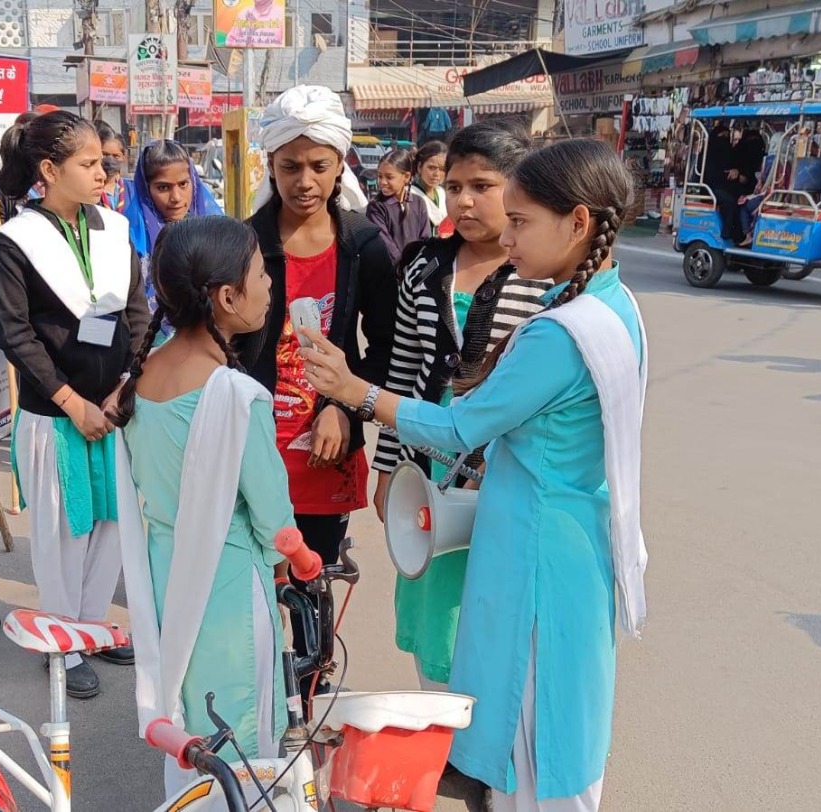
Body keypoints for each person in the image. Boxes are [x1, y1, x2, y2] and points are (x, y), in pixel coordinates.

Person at [301, 138, 648, 812]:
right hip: (572, 532)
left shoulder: (559, 332)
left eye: (521, 221)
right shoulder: (613, 304)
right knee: (560, 712)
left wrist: (354, 392)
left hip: (534, 546)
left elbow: (461, 428)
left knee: (530, 722)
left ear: (578, 222)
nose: (508, 237)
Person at [108, 216, 293, 796]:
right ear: (227, 297)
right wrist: (292, 560)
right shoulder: (238, 396)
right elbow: (273, 517)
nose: (269, 284)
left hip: (167, 576)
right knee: (242, 725)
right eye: (260, 273)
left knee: (190, 712)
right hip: (231, 584)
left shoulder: (140, 379)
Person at [371, 122, 551, 697]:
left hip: (510, 464)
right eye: (453, 187)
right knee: (439, 601)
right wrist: (388, 468)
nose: (464, 201)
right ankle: (441, 716)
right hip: (430, 458)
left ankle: (495, 723)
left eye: (482, 186)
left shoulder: (543, 274)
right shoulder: (422, 267)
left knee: (501, 596)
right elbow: (402, 369)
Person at [239, 85, 395, 694]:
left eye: (318, 166)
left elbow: (385, 344)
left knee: (313, 574)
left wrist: (345, 409)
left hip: (326, 445)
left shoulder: (363, 245)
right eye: (290, 166)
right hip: (256, 440)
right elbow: (225, 343)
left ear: (339, 165)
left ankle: (309, 690)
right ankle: (257, 693)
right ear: (270, 165)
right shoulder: (246, 241)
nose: (305, 181)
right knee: (255, 573)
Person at [0, 111, 149, 699]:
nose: (103, 173)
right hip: (54, 415)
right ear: (49, 170)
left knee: (110, 524)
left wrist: (123, 388)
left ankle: (92, 628)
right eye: (89, 164)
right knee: (61, 534)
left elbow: (137, 313)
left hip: (111, 409)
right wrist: (71, 401)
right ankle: (62, 643)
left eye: (104, 163)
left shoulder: (113, 228)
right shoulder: (16, 239)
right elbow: (15, 333)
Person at [127, 139, 224, 334]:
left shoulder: (216, 232)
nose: (176, 198)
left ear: (193, 181)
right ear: (146, 189)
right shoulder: (130, 239)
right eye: (163, 187)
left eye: (183, 184)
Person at [365, 146, 429, 267]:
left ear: (406, 177)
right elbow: (386, 246)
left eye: (389, 177)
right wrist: (404, 268)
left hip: (416, 270)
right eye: (380, 176)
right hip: (390, 271)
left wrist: (419, 265)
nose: (382, 182)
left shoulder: (419, 203)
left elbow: (425, 238)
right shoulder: (376, 207)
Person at [412, 140, 453, 238]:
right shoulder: (410, 194)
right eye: (431, 168)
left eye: (442, 169)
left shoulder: (442, 193)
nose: (436, 174)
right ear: (419, 167)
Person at [96, 121, 131, 213]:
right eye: (105, 154)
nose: (110, 160)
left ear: (123, 157)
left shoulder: (132, 189)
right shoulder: (90, 190)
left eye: (116, 156)